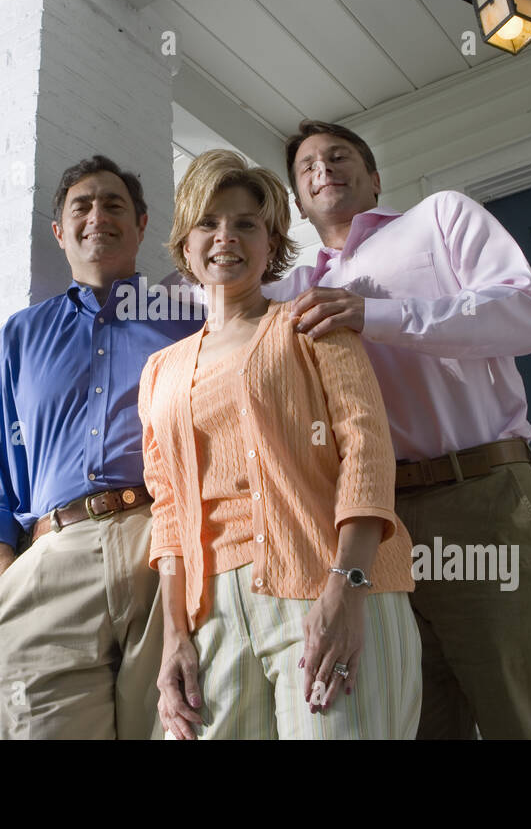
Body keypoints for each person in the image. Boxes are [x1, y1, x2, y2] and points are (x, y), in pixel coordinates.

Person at [274, 119, 531, 739]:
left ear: (373, 177)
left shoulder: (439, 218)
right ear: (298, 201)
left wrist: (377, 315)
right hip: (374, 529)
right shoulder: (295, 290)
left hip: (479, 497)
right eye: (307, 167)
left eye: (338, 156)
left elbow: (526, 316)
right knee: (416, 718)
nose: (323, 169)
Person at [140, 149, 420, 740]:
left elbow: (366, 451)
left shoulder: (313, 323)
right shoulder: (160, 372)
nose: (226, 237)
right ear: (186, 247)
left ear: (271, 245)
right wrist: (172, 638)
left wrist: (346, 589)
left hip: (328, 586)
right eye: (209, 223)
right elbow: (168, 512)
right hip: (208, 616)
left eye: (246, 224)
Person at [0, 155, 198, 739]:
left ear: (140, 225)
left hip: (163, 552)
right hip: (52, 558)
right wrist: (11, 582)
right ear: (59, 232)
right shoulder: (20, 337)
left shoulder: (189, 323)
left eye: (114, 204)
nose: (96, 216)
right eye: (80, 205)